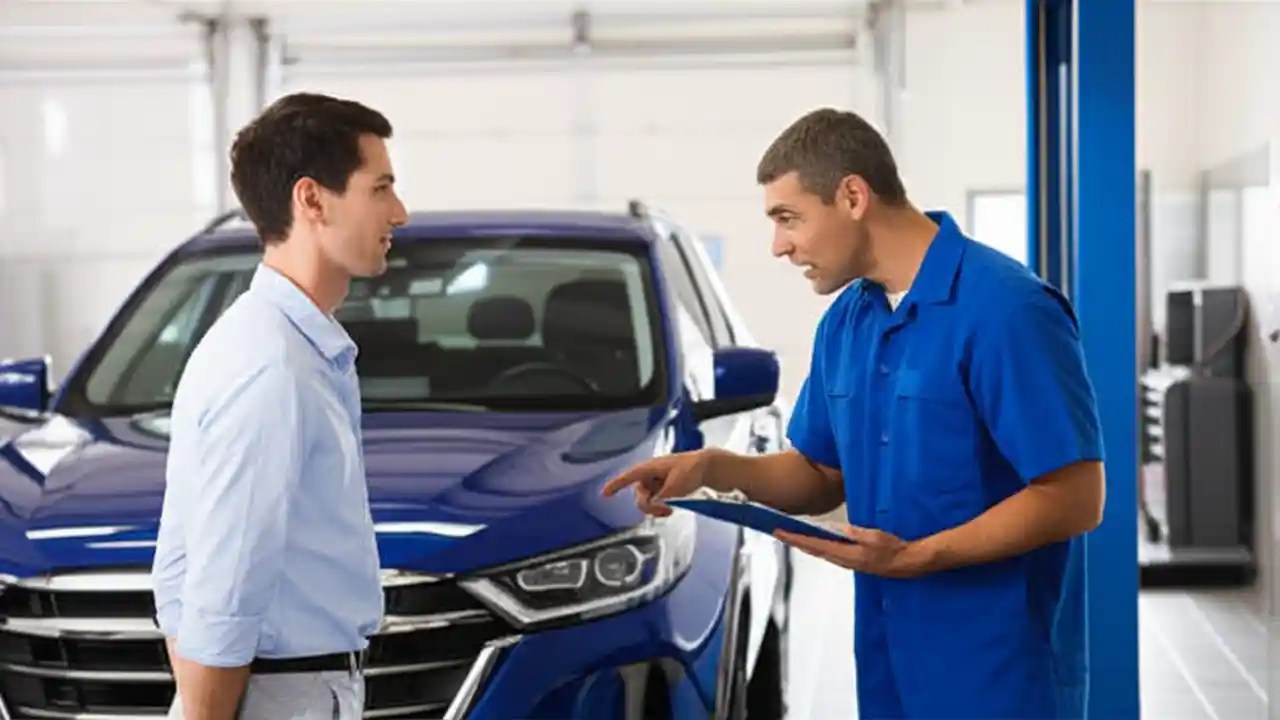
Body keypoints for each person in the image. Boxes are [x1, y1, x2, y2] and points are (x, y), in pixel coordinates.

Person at [602, 107, 1106, 719]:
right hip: (890, 657)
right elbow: (820, 476)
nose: (779, 245)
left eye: (789, 218)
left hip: (1000, 671)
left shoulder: (1007, 309)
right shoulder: (847, 322)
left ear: (852, 195)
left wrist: (922, 556)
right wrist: (712, 468)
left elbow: (1076, 495)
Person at [151, 92, 408, 720]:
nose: (400, 212)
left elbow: (179, 570)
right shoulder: (274, 369)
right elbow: (224, 590)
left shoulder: (275, 346)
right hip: (280, 698)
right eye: (381, 188)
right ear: (312, 199)